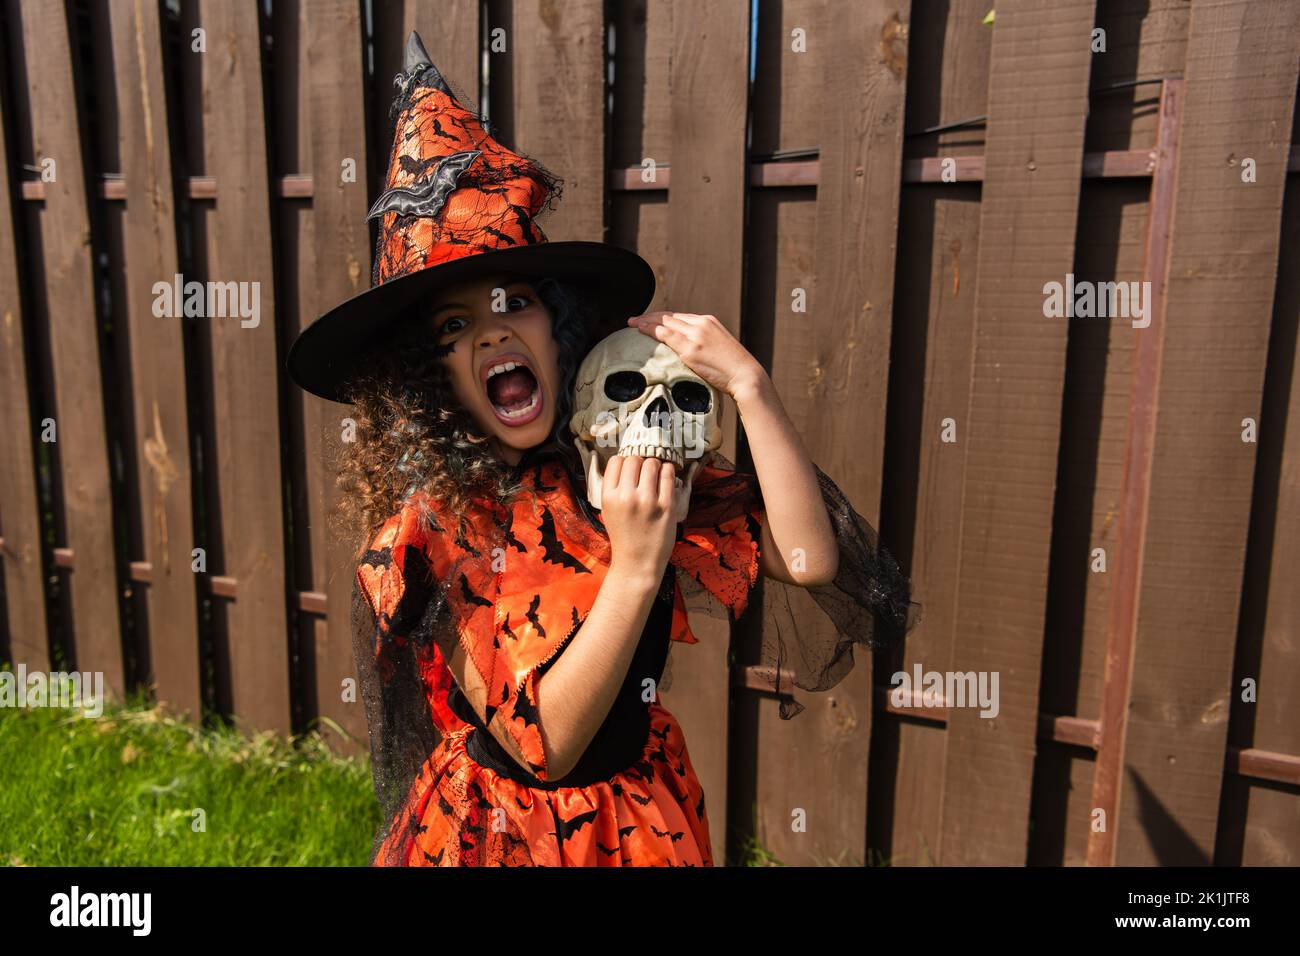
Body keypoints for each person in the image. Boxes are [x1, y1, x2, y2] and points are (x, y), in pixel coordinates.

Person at [286, 32, 916, 866]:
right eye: (453, 326)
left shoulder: (611, 466)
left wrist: (753, 389)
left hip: (636, 815)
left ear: (559, 322)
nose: (491, 333)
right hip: (501, 833)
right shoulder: (432, 530)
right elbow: (547, 745)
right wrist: (638, 565)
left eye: (513, 301)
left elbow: (808, 560)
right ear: (425, 376)